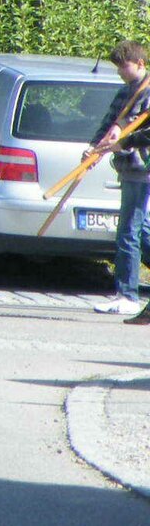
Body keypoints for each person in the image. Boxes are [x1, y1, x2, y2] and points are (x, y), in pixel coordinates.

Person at [85, 40, 150, 319]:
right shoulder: (126, 91)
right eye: (118, 68)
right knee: (142, 229)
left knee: (128, 230)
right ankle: (128, 292)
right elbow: (111, 120)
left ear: (140, 63)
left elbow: (139, 126)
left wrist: (120, 138)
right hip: (127, 167)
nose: (121, 73)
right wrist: (93, 146)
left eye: (124, 67)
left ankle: (127, 295)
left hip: (142, 168)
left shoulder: (147, 92)